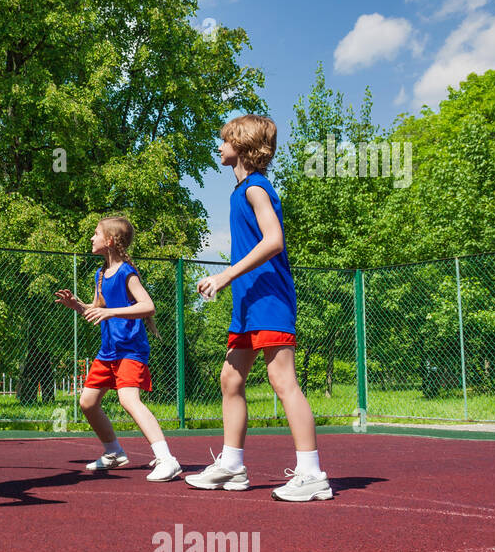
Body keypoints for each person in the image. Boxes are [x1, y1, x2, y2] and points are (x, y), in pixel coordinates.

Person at [186, 114, 333, 501]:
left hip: (270, 298)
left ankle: (312, 473)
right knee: (230, 380)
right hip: (249, 303)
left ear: (243, 146)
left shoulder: (255, 188)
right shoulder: (239, 191)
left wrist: (223, 276)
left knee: (284, 383)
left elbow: (274, 241)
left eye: (224, 141)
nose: (219, 147)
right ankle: (233, 466)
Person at [56, 217, 182, 481]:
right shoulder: (100, 274)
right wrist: (77, 306)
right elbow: (96, 309)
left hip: (130, 350)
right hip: (108, 351)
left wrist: (111, 312)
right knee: (88, 402)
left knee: (128, 400)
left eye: (96, 233)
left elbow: (148, 306)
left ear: (110, 240)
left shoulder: (127, 272)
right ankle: (114, 452)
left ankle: (167, 459)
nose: (91, 238)